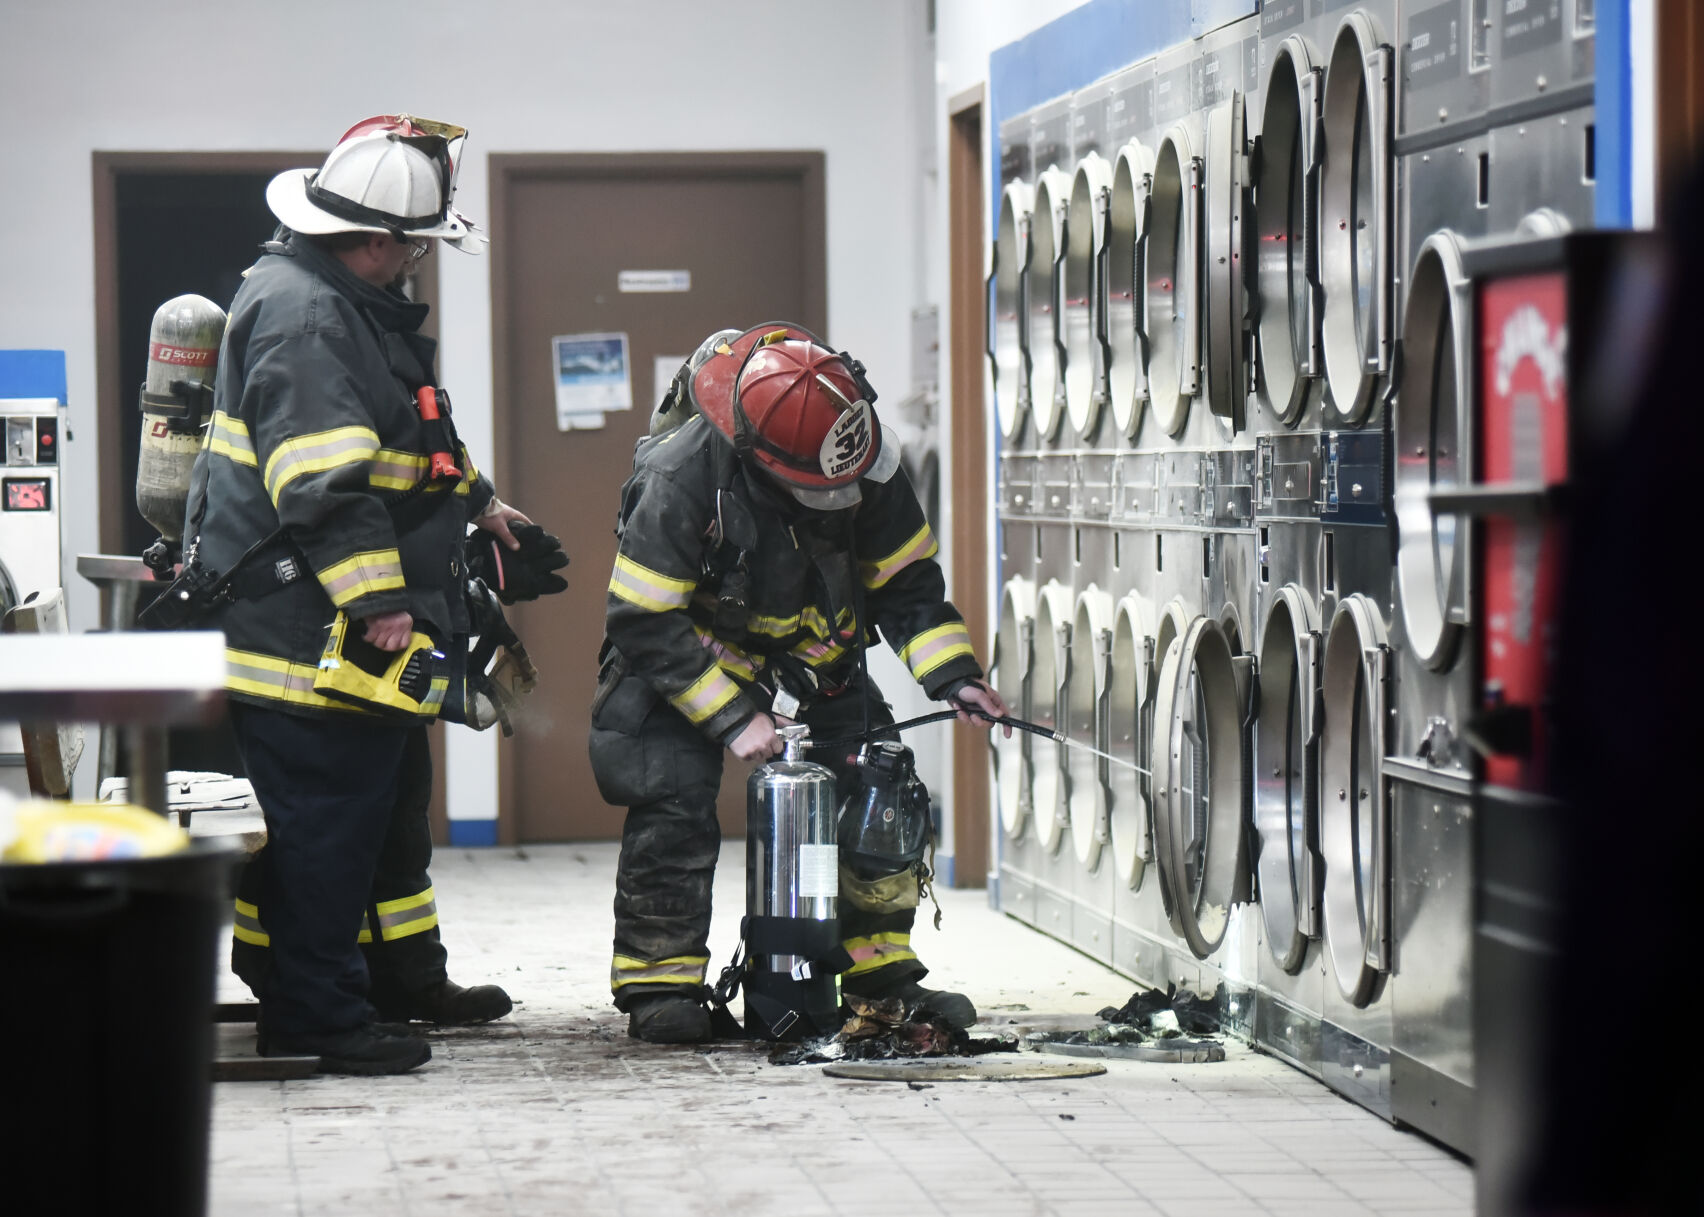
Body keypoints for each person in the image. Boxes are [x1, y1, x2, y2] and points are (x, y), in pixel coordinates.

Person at [183, 116, 558, 1074]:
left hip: (342, 618)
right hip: (312, 630)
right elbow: (322, 482)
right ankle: (315, 1014)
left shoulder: (344, 304)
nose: (418, 266)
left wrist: (481, 504)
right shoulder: (308, 317)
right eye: (415, 248)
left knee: (384, 804)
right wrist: (378, 602)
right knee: (324, 819)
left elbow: (408, 435)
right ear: (375, 240)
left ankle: (396, 978)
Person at [588, 322, 1009, 1044]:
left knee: (880, 792)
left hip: (818, 656)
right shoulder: (679, 477)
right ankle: (660, 982)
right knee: (673, 799)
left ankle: (880, 973)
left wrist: (955, 676)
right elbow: (643, 619)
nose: (846, 496)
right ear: (760, 462)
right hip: (694, 658)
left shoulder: (857, 451)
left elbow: (906, 583)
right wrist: (730, 716)